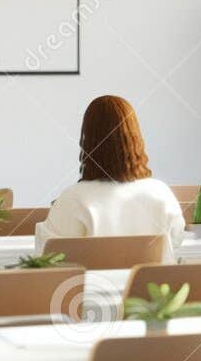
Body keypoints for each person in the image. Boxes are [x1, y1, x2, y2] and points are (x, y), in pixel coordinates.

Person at [34, 95, 184, 259]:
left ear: (87, 140)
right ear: (135, 137)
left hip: (90, 284)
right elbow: (176, 240)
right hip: (150, 285)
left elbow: (48, 255)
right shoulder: (161, 193)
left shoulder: (72, 199)